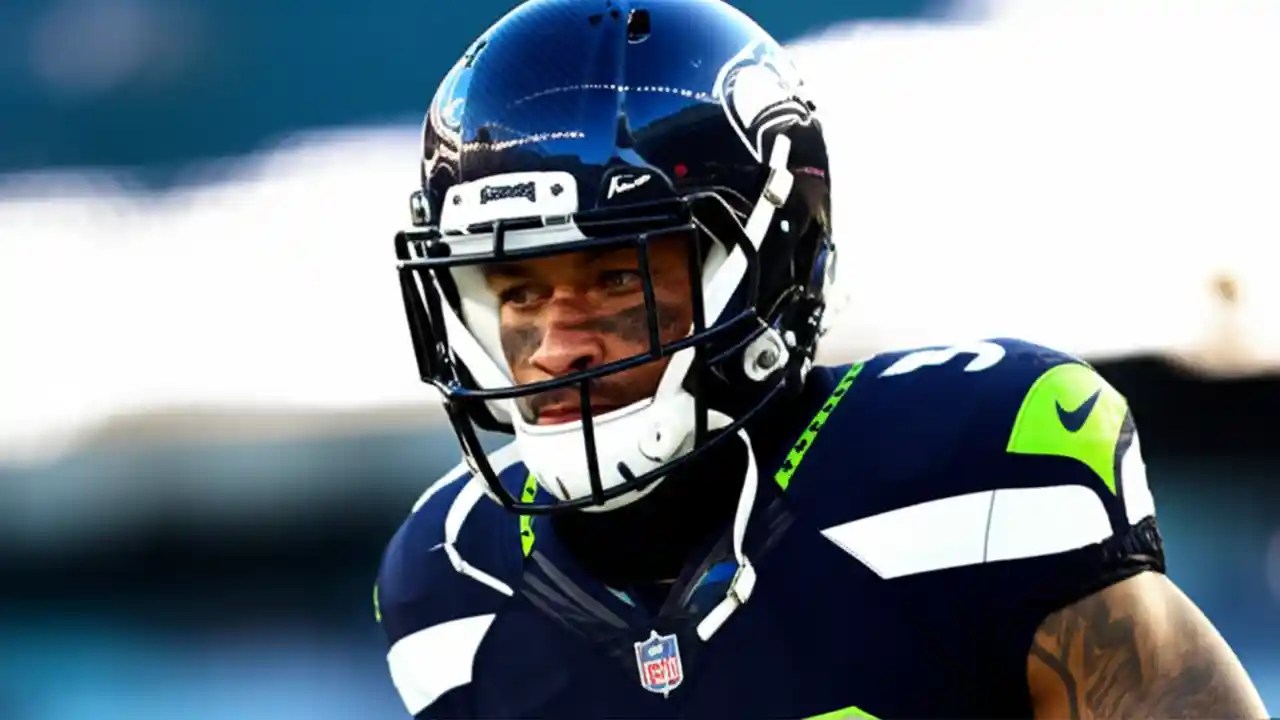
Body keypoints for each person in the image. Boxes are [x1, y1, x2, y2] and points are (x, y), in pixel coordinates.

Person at [373, 0, 1269, 717]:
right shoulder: (452, 582)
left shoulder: (962, 472)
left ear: (770, 265)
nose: (556, 345)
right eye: (519, 293)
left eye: (617, 279)